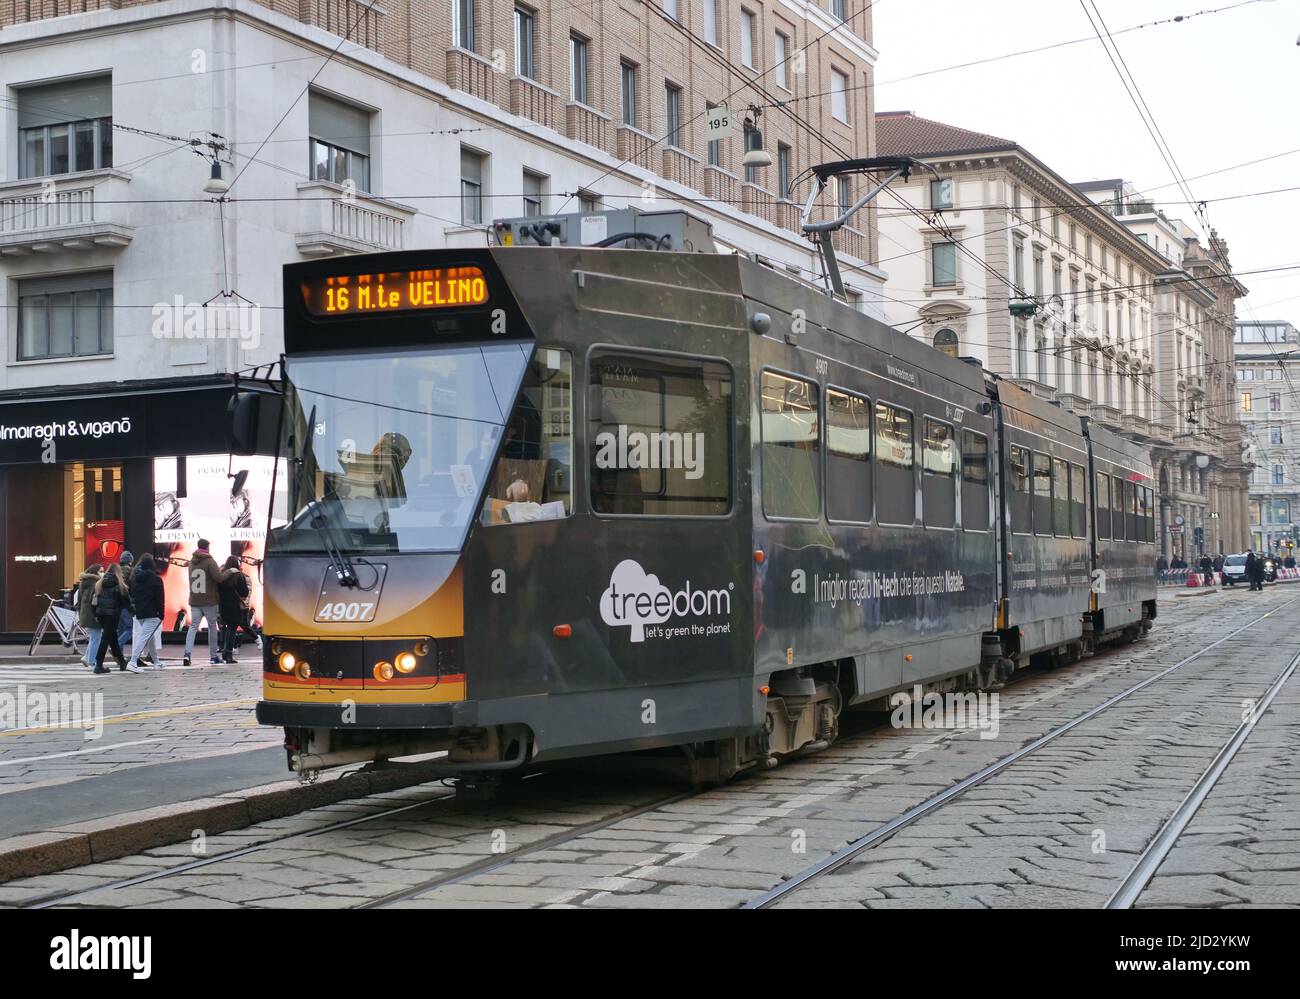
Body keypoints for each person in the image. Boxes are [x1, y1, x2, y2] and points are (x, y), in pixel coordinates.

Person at [184, 539, 237, 665]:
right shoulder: (210, 561)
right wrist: (230, 571)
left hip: (195, 600)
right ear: (207, 548)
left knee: (193, 627)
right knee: (212, 627)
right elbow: (219, 578)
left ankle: (187, 654)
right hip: (209, 601)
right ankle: (213, 657)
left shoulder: (191, 562)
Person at [124, 554, 166, 673]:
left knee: (150, 637)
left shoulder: (137, 579)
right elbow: (160, 598)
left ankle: (156, 662)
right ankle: (132, 662)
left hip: (140, 613)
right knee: (144, 638)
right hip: (153, 614)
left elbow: (132, 595)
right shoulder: (157, 579)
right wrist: (161, 614)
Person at [217, 557, 257, 664]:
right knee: (232, 629)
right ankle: (228, 654)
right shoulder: (239, 575)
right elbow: (244, 592)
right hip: (235, 606)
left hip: (223, 606)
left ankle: (225, 653)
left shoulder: (222, 575)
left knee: (226, 629)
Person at [92, 563, 129, 673]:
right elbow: (126, 601)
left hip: (101, 614)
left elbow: (92, 601)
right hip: (112, 615)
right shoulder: (119, 584)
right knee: (106, 639)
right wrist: (133, 610)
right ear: (118, 572)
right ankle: (98, 665)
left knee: (112, 638)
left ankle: (122, 662)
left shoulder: (99, 583)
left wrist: (95, 614)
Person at [77, 564, 103, 669]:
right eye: (101, 571)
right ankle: (91, 662)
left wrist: (80, 614)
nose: (102, 573)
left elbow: (79, 601)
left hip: (85, 614)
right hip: (93, 615)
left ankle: (87, 657)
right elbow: (94, 602)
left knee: (94, 637)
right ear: (95, 572)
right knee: (96, 638)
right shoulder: (95, 583)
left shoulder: (83, 582)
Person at [115, 550, 138, 662]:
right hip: (126, 604)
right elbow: (133, 589)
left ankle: (119, 656)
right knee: (130, 628)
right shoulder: (131, 572)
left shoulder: (115, 572)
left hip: (115, 605)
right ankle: (116, 648)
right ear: (130, 562)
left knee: (120, 630)